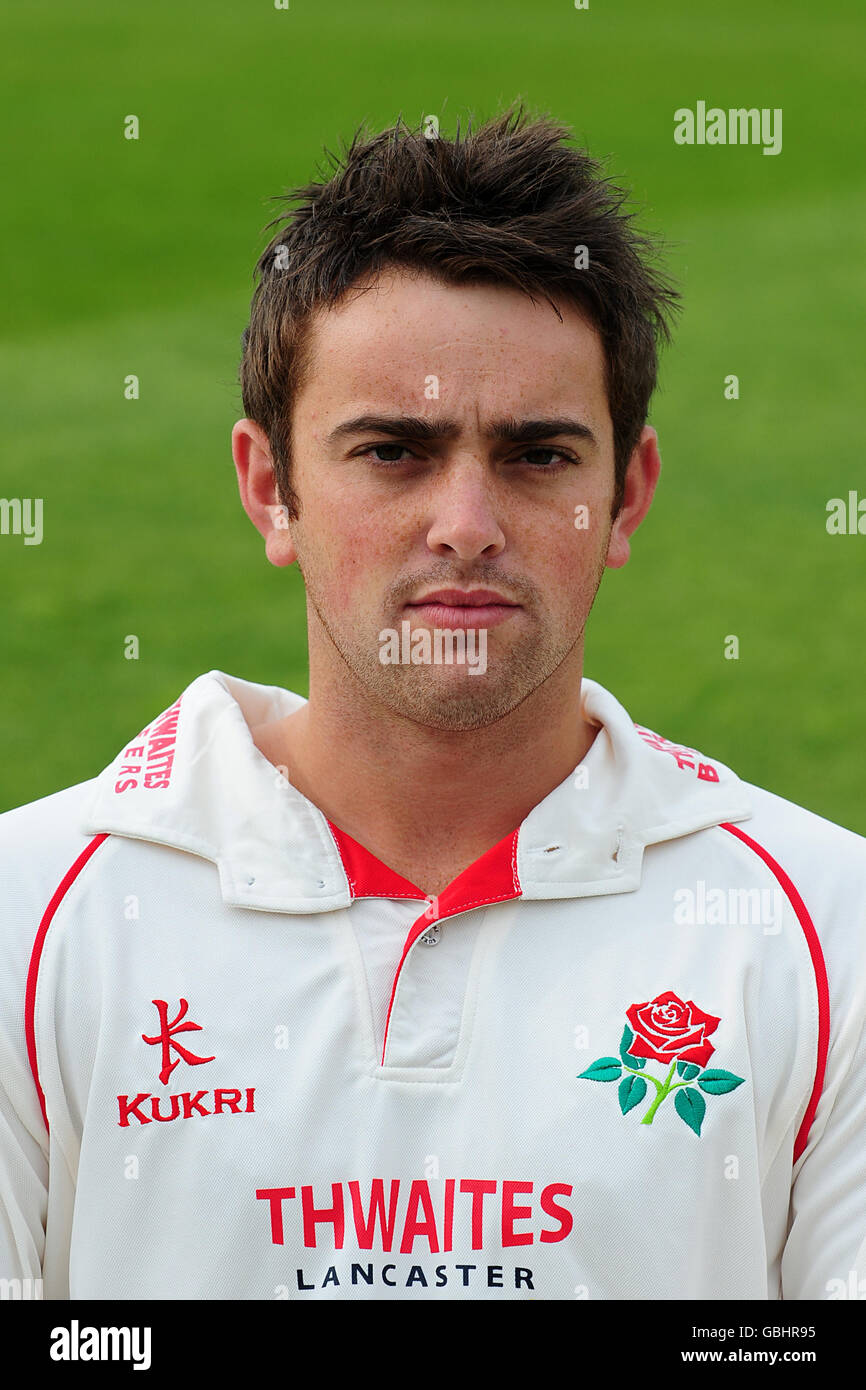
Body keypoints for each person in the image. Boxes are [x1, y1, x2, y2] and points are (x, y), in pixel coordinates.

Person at [2, 106, 865, 1302]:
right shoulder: (28, 922)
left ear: (625, 496)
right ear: (271, 489)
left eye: (537, 455)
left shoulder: (826, 934)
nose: (466, 523)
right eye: (393, 452)